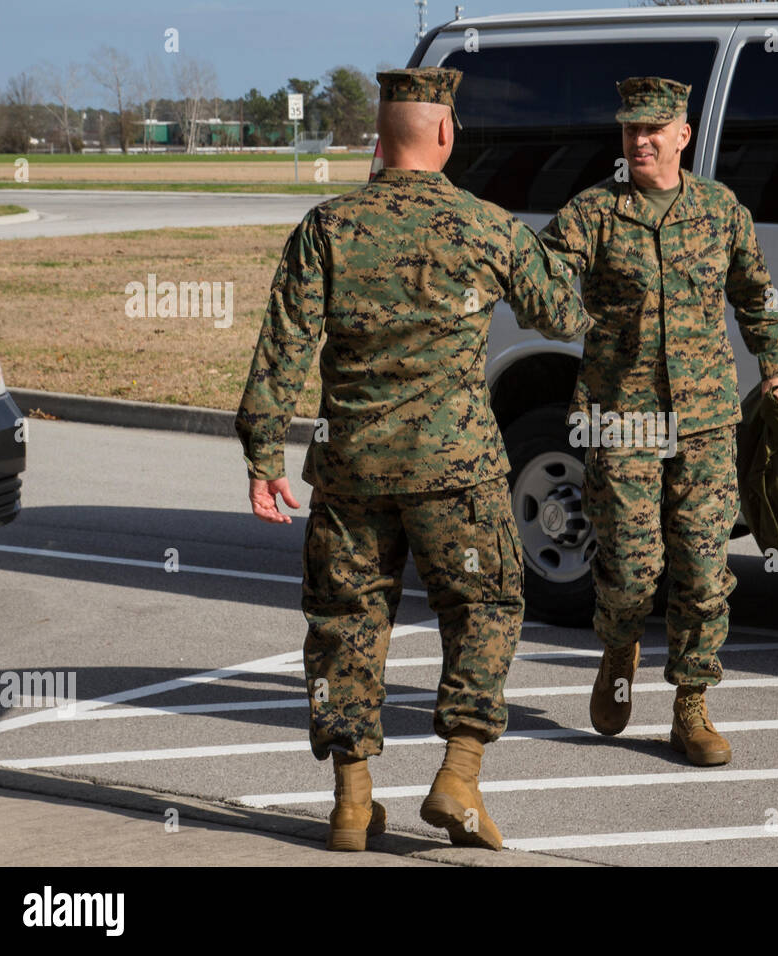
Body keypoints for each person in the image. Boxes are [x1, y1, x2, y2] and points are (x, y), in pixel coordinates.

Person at [236, 66, 593, 851]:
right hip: (455, 474)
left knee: (345, 623)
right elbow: (563, 312)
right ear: (444, 133)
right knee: (485, 609)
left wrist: (263, 454)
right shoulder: (487, 225)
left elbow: (281, 351)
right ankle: (458, 775)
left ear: (378, 139)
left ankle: (351, 803)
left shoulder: (327, 227)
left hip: (349, 472)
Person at [539, 76, 778, 766]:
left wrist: (774, 364)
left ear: (683, 135)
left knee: (703, 567)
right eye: (630, 130)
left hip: (706, 416)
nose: (641, 141)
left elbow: (755, 292)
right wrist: (557, 305)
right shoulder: (592, 212)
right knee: (629, 566)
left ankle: (692, 706)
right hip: (622, 419)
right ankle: (618, 651)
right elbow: (543, 275)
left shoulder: (720, 209)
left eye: (654, 130)